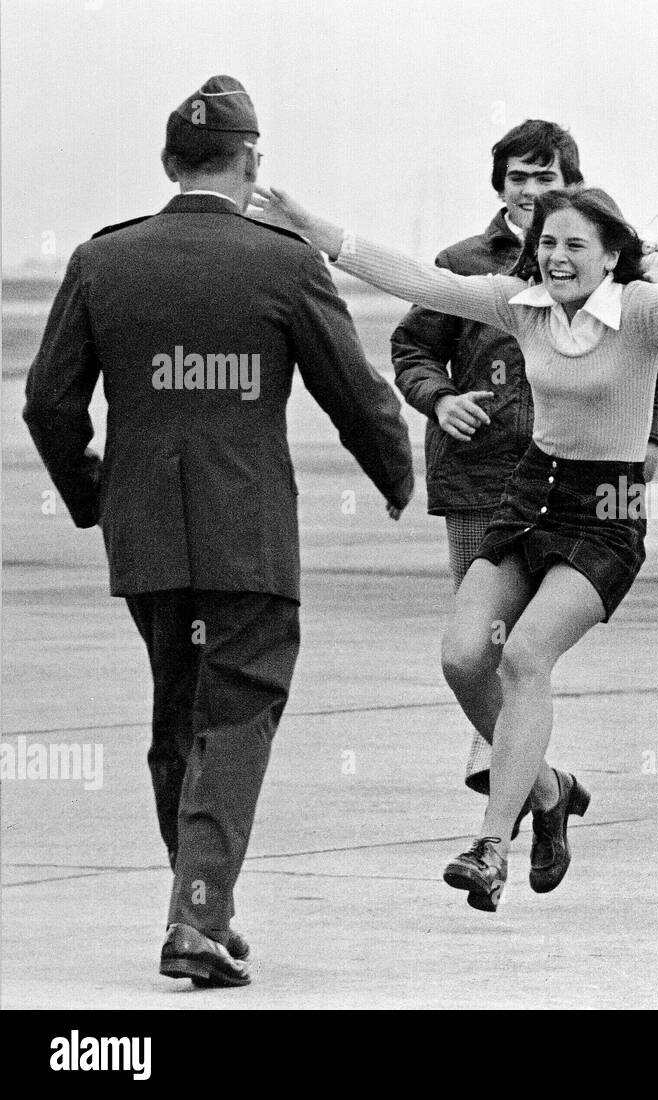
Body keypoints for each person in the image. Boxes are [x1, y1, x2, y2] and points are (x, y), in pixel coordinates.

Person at [250, 182, 658, 910]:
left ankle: (490, 847)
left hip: (606, 513)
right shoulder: (520, 307)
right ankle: (549, 791)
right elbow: (417, 279)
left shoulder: (641, 314)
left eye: (575, 244)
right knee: (462, 657)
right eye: (548, 242)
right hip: (530, 498)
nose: (557, 256)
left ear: (611, 255)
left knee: (523, 656)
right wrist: (312, 228)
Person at [23, 77, 414, 985]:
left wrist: (94, 492)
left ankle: (200, 903)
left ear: (169, 163)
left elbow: (48, 403)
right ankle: (195, 916)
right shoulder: (281, 262)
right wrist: (394, 473)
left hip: (147, 537)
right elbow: (352, 390)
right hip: (249, 541)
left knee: (179, 721)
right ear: (251, 162)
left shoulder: (99, 260)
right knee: (235, 717)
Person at [390, 119, 658, 802]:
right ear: (500, 186)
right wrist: (438, 400)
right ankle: (532, 784)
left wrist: (650, 446)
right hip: (482, 475)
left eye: (544, 177)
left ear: (569, 187)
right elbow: (411, 349)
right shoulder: (466, 262)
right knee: (478, 642)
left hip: (584, 487)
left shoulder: (605, 276)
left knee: (525, 649)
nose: (530, 189)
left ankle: (515, 785)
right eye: (518, 177)